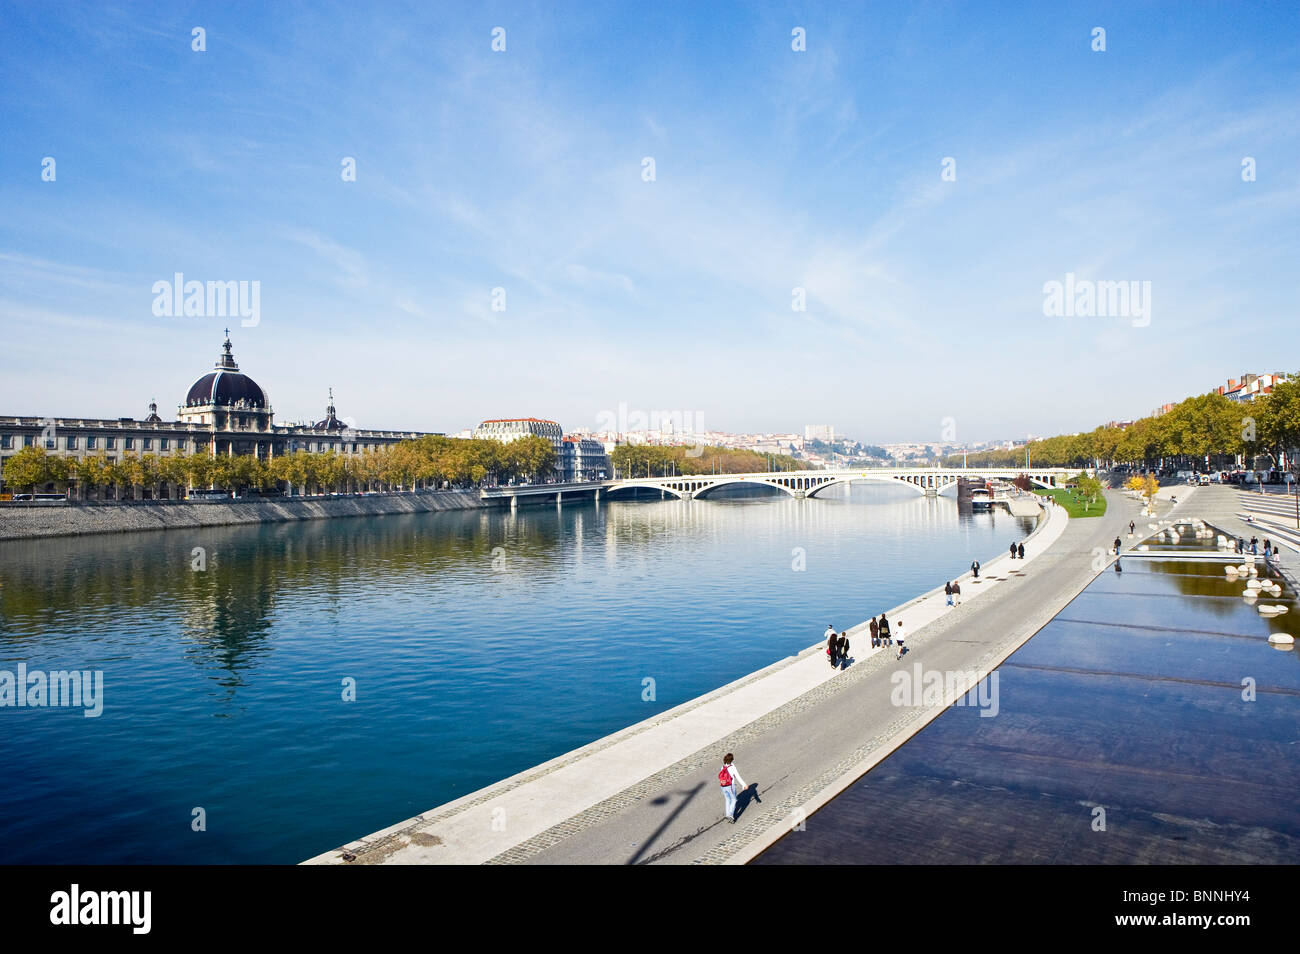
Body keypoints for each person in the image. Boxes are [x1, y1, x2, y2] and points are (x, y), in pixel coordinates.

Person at [718, 753, 748, 823]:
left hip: (723, 786)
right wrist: (744, 785)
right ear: (732, 760)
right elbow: (737, 776)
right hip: (730, 786)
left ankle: (727, 814)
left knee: (727, 799)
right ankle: (730, 814)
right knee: (734, 799)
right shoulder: (732, 767)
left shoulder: (722, 767)